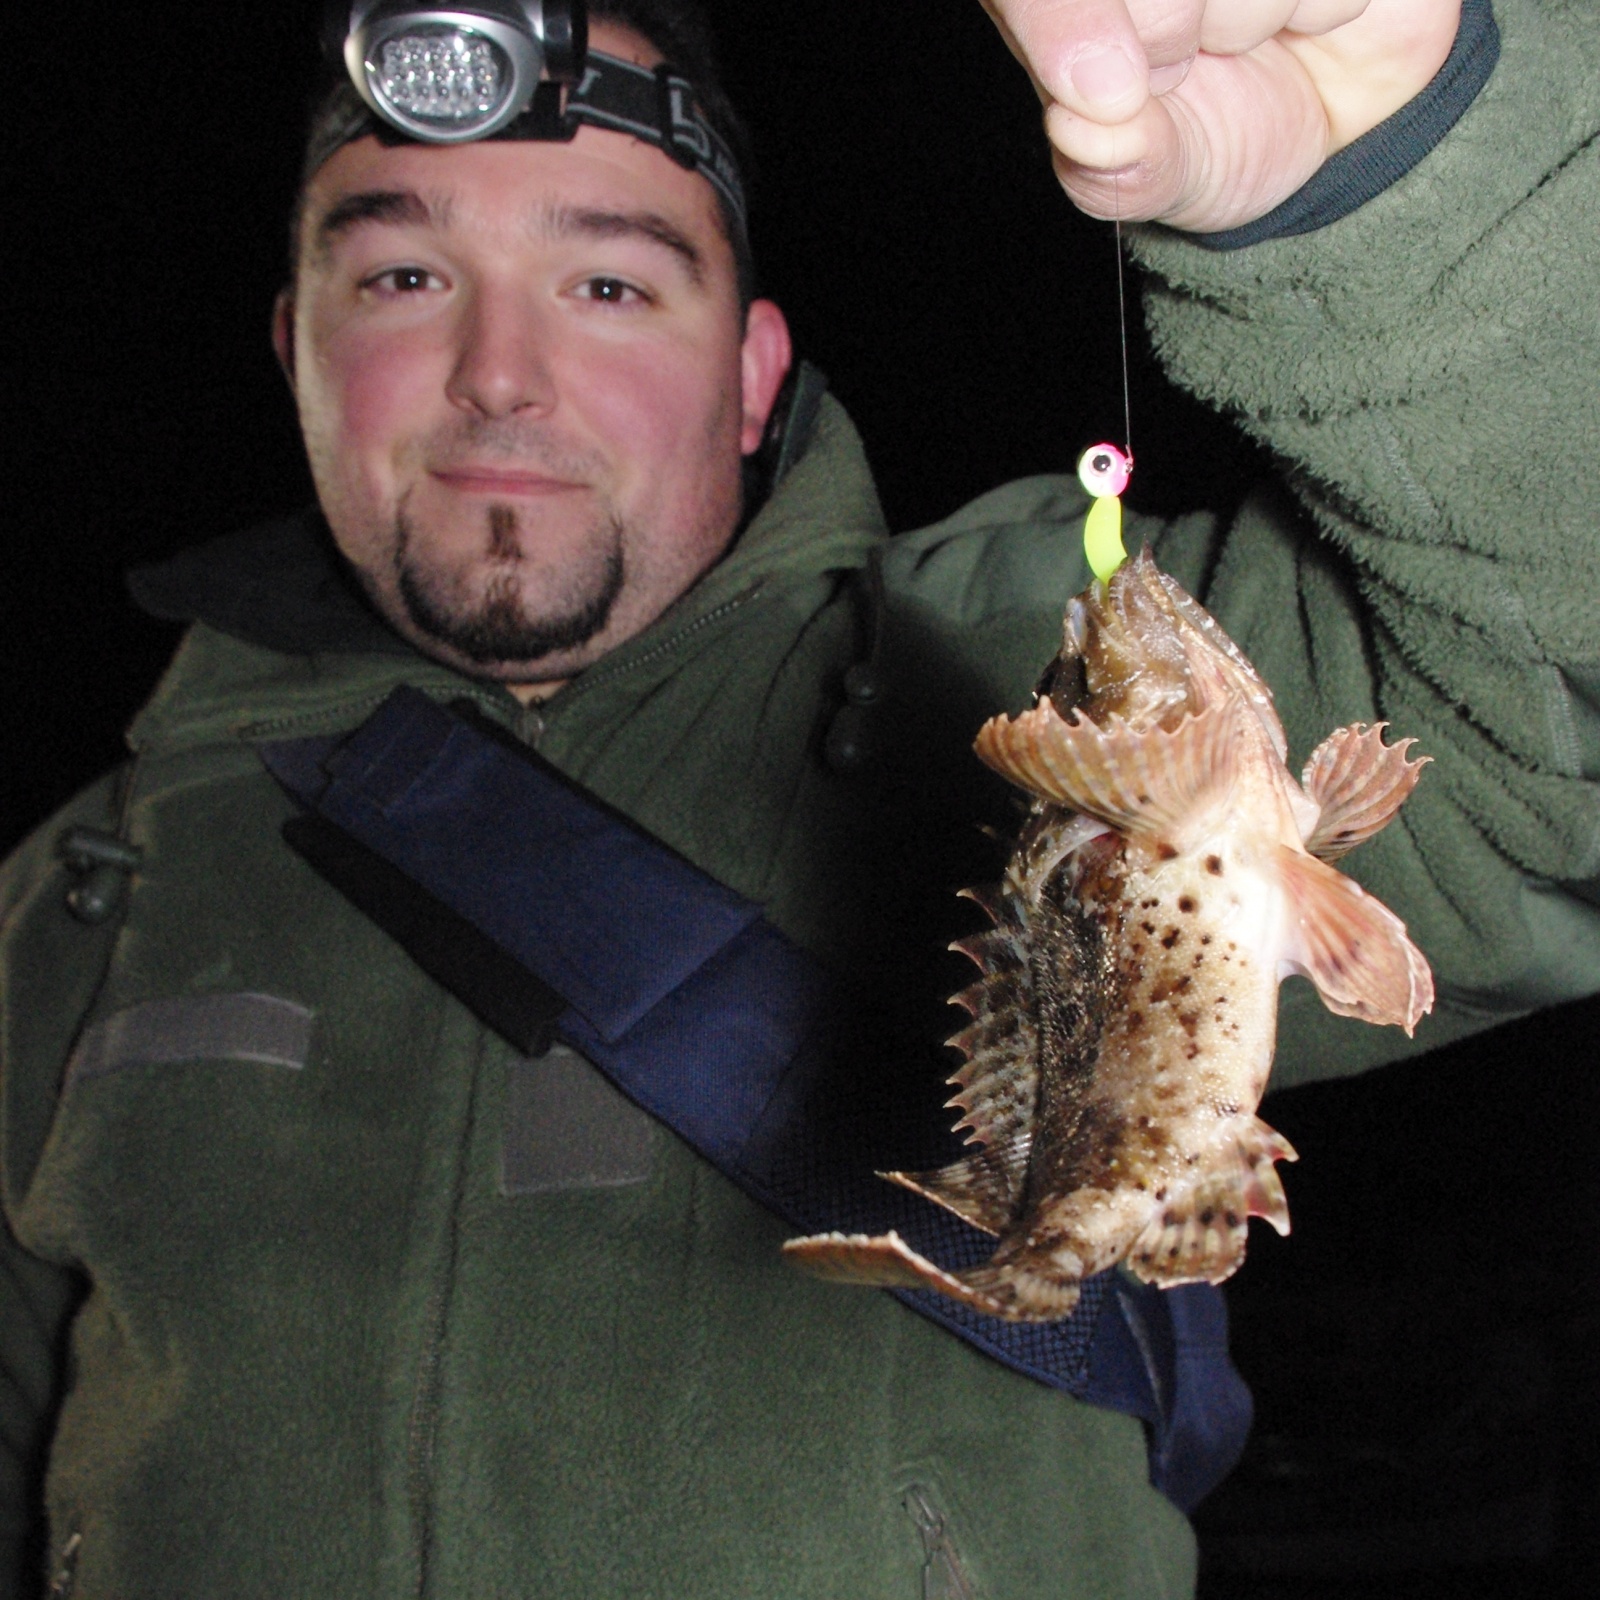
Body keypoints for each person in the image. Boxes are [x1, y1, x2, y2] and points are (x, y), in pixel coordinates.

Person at [1, 0, 1595, 1594]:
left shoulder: (1020, 687)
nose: (500, 375)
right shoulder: (81, 889)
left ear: (753, 373)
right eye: (406, 276)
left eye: (610, 280)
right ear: (296, 342)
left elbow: (1556, 718)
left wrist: (1417, 180)